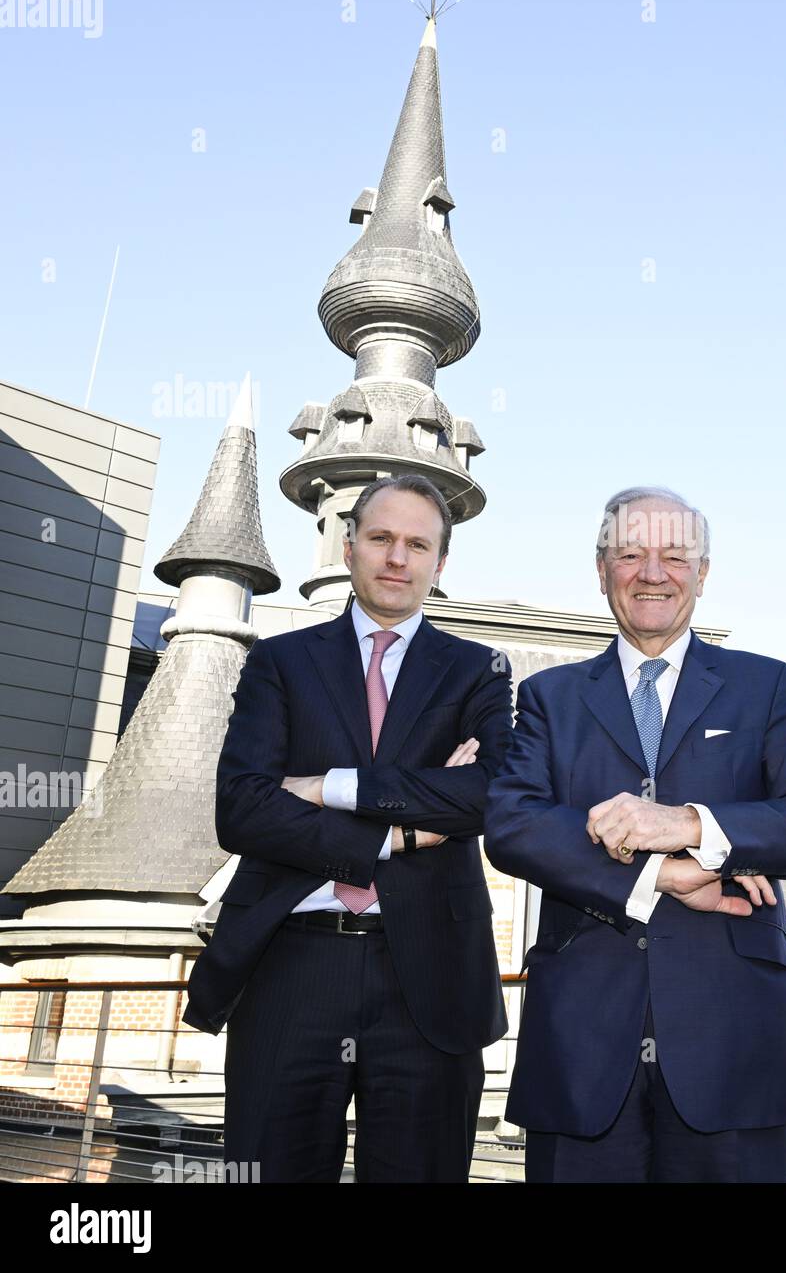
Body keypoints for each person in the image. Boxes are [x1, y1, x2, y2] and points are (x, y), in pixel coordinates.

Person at [485, 486, 786, 1182]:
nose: (653, 572)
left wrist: (690, 825)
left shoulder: (766, 686)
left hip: (738, 1043)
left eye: (675, 555)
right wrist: (658, 875)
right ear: (601, 570)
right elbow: (512, 825)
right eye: (630, 554)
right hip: (580, 1046)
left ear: (703, 573)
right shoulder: (547, 698)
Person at [183, 474, 512, 1182]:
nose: (398, 557)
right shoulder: (280, 661)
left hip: (430, 975)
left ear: (439, 563)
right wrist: (399, 834)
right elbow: (241, 807)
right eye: (383, 539)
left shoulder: (478, 671)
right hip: (292, 967)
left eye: (418, 544)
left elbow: (488, 795)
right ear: (349, 546)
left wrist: (329, 789)